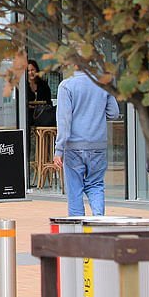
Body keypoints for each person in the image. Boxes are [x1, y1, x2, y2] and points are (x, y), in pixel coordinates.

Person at [54, 69, 121, 216]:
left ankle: (77, 228)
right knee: (96, 185)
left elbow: (64, 121)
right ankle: (99, 220)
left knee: (75, 189)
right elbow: (114, 113)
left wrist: (59, 150)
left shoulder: (66, 86)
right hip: (98, 144)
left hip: (74, 146)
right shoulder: (103, 84)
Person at [26, 59, 55, 127]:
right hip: (27, 119)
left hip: (43, 118)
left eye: (32, 70)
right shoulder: (23, 87)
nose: (30, 72)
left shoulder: (43, 85)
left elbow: (48, 102)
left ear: (37, 70)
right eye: (28, 71)